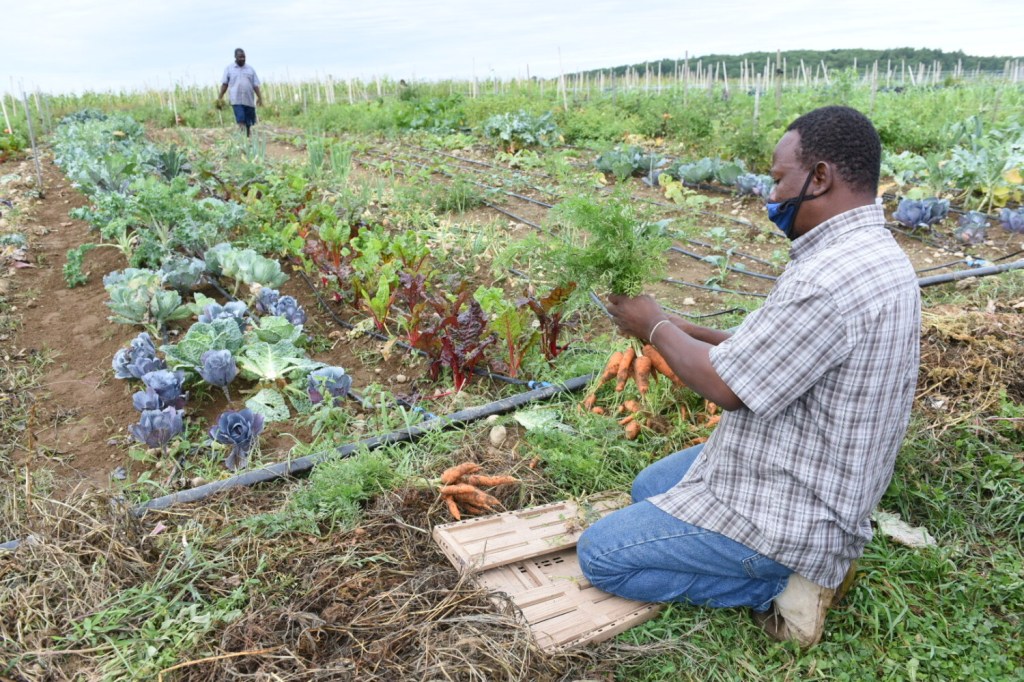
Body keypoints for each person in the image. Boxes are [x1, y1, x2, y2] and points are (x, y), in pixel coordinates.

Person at [577, 105, 921, 647]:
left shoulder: (831, 278)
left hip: (801, 503)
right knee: (649, 488)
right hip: (809, 457)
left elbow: (726, 388)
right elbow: (762, 350)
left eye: (780, 178)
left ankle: (786, 583)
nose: (773, 193)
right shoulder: (866, 252)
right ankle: (781, 564)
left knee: (602, 557)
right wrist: (677, 325)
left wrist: (655, 327)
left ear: (821, 176)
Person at [217, 48, 263, 137]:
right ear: (235, 57)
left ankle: (247, 137)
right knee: (241, 119)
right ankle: (243, 138)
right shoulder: (229, 69)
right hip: (236, 99)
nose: (242, 59)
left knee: (249, 122)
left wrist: (260, 97)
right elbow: (225, 84)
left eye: (244, 57)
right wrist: (220, 97)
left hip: (249, 99)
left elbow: (255, 85)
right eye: (240, 57)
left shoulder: (250, 69)